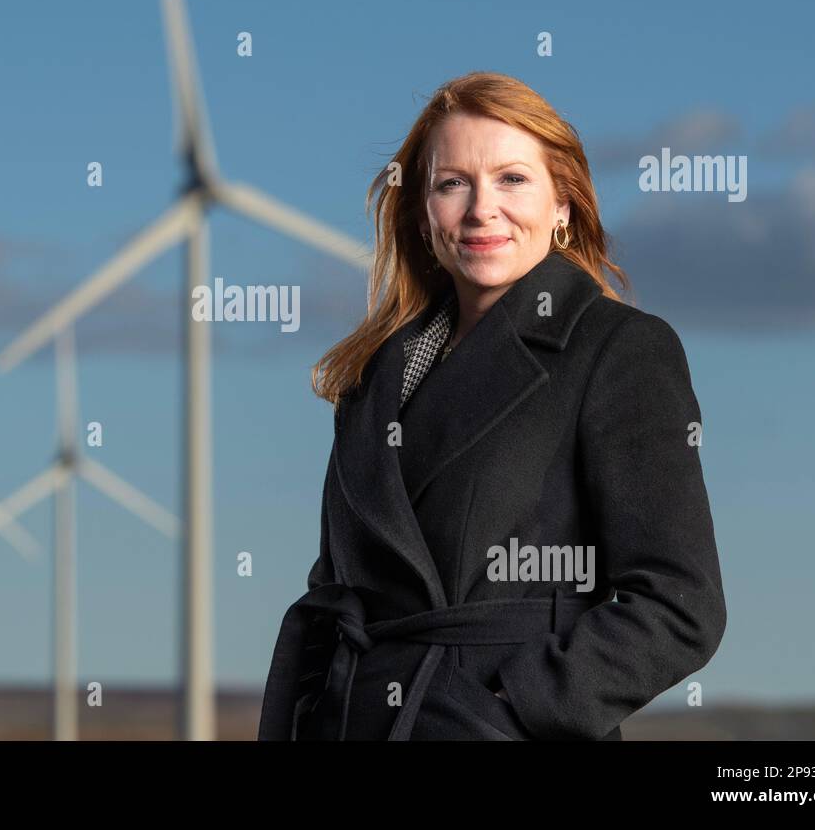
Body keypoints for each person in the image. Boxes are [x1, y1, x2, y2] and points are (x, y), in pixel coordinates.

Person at [257, 71, 726, 740]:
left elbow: (681, 605)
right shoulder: (373, 375)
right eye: (453, 183)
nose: (482, 209)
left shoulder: (618, 349)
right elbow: (337, 584)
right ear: (423, 211)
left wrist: (512, 707)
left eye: (512, 179)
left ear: (563, 205)